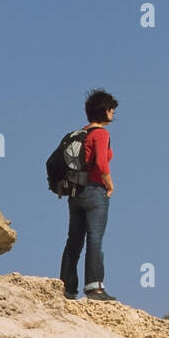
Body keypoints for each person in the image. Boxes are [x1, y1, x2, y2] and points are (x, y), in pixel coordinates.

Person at [60, 89, 118, 302]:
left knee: (74, 240)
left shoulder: (80, 134)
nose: (113, 113)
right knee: (95, 240)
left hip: (75, 193)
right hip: (94, 192)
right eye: (111, 109)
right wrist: (110, 185)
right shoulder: (101, 134)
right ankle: (95, 288)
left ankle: (67, 288)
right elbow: (102, 164)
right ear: (105, 111)